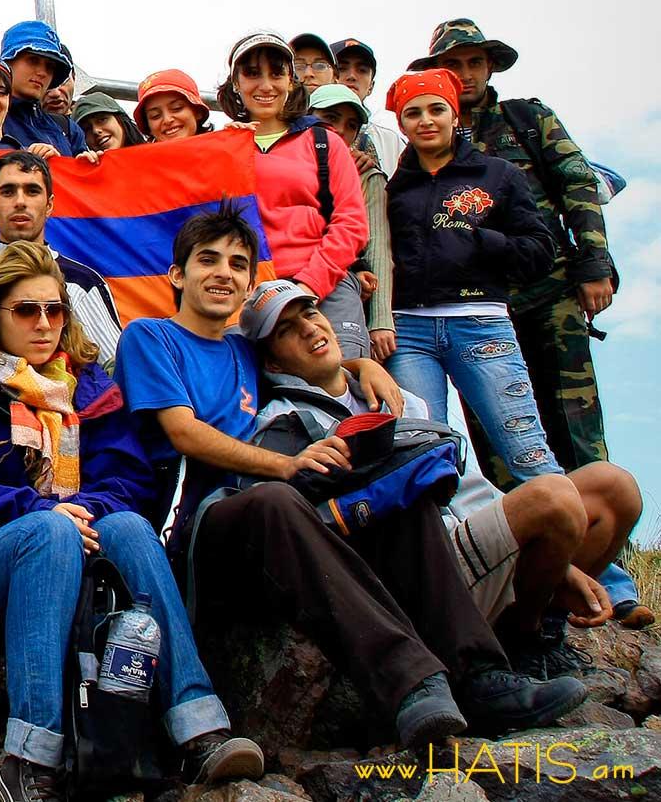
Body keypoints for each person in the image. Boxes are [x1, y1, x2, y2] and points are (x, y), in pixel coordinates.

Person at [115, 213, 585, 750]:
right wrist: (286, 465)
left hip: (280, 532)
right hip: (197, 535)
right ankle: (410, 684)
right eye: (208, 260)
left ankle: (477, 676)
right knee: (275, 499)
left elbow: (310, 357)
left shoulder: (246, 350)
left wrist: (363, 366)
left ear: (249, 284)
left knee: (398, 494)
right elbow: (184, 432)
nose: (224, 273)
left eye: (238, 264)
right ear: (177, 275)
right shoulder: (150, 336)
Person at [0, 242, 264, 798]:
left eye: (55, 309)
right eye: (27, 310)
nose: (45, 323)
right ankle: (29, 760)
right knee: (49, 531)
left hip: (77, 555)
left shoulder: (90, 387)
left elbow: (130, 479)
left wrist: (81, 511)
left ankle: (198, 728)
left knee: (128, 524)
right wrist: (44, 509)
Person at [252, 282, 642, 681]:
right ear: (274, 364)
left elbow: (465, 479)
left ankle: (541, 623)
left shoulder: (396, 395)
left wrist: (557, 559)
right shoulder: (285, 421)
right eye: (285, 330)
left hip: (473, 540)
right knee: (554, 499)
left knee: (615, 488)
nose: (308, 329)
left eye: (311, 313)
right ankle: (522, 642)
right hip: (424, 570)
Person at [414, 20, 618, 479]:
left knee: (574, 421)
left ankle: (604, 543)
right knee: (498, 436)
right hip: (476, 307)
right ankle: (521, 546)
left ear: (490, 67)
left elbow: (579, 185)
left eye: (474, 63)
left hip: (550, 291)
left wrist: (593, 263)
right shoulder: (426, 138)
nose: (465, 74)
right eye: (453, 65)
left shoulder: (527, 119)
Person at [381, 69, 560, 480]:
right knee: (421, 456)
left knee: (527, 454)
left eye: (436, 109)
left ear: (454, 114)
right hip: (408, 332)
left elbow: (540, 251)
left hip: (482, 325)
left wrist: (482, 241)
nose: (426, 120)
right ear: (402, 123)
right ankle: (446, 542)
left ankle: (565, 535)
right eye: (413, 113)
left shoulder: (499, 175)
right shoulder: (394, 188)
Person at [217, 31, 369, 360]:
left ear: (291, 80)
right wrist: (97, 165)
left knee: (347, 394)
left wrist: (308, 286)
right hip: (246, 297)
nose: (266, 84)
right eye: (253, 73)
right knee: (259, 406)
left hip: (324, 291)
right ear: (236, 83)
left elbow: (352, 223)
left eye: (276, 72)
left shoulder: (323, 141)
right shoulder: (216, 149)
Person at [0, 151, 124, 366]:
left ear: (49, 205)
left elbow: (116, 366)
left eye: (32, 191)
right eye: (8, 191)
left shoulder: (81, 283)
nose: (20, 201)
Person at [307, 83, 395, 363]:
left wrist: (381, 322)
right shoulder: (278, 163)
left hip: (341, 302)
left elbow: (377, 250)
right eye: (330, 118)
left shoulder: (367, 176)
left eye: (352, 124)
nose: (341, 131)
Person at [0, 22, 85, 156]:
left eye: (50, 66)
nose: (42, 72)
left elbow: (86, 176)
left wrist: (88, 164)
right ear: (8, 62)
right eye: (33, 60)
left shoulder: (68, 128)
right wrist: (28, 159)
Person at [329, 38, 406, 171]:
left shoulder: (391, 142)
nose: (352, 76)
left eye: (362, 70)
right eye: (342, 68)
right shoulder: (300, 129)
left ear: (371, 86)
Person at [134, 70, 214, 143]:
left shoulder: (223, 150)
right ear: (148, 127)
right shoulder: (135, 158)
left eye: (177, 108)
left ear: (197, 111)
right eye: (155, 116)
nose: (167, 120)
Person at [72, 92, 144, 154]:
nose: (95, 131)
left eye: (102, 120)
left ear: (120, 119)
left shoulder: (152, 157)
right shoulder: (89, 168)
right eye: (86, 129)